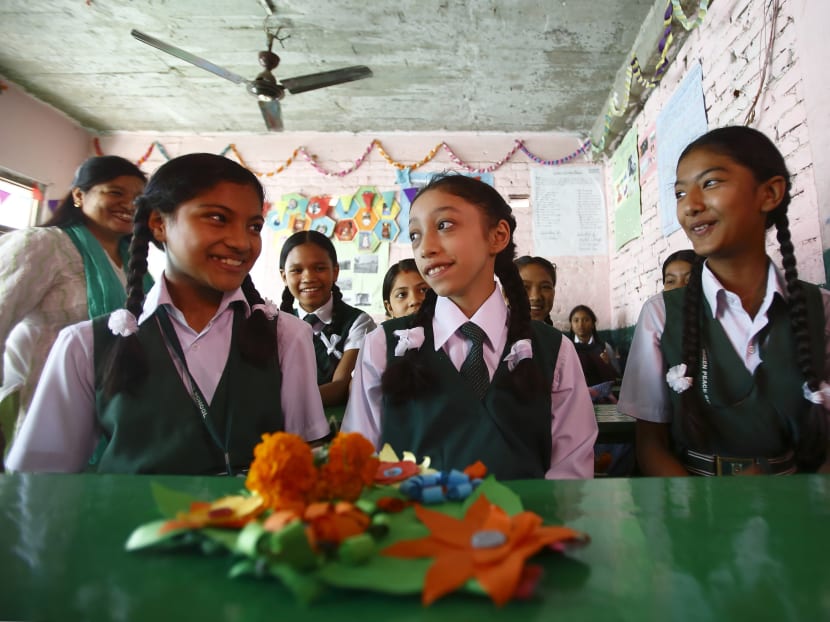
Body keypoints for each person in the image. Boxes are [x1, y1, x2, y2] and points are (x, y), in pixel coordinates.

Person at [6, 154, 329, 474]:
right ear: (159, 224)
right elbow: (39, 483)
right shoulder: (85, 343)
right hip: (121, 524)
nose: (241, 242)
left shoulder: (286, 335)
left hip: (250, 523)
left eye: (254, 226)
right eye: (217, 218)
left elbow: (305, 457)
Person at [343, 173, 597, 479]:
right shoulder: (382, 346)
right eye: (414, 235)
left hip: (529, 524)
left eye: (444, 225)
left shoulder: (554, 351)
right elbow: (358, 463)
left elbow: (571, 473)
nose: (425, 247)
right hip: (413, 525)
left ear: (497, 236)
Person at [618, 126, 830, 476]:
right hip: (695, 505)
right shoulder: (661, 314)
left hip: (799, 507)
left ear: (770, 193)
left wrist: (807, 503)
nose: (691, 206)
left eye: (711, 183)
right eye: (680, 193)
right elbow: (650, 444)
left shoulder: (819, 308)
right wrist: (703, 512)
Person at [0, 156, 150, 459]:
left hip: (116, 414)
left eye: (138, 198)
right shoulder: (43, 245)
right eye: (115, 192)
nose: (129, 204)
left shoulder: (137, 264)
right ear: (80, 195)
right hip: (44, 407)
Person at [279, 230, 376, 407]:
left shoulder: (358, 322)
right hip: (281, 427)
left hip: (336, 426)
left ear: (335, 271)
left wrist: (283, 406)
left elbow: (340, 386)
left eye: (319, 268)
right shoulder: (275, 323)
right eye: (297, 270)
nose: (308, 277)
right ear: (284, 276)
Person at [569, 304, 620, 394]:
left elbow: (616, 376)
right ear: (571, 325)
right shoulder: (567, 348)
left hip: (602, 395)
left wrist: (607, 364)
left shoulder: (605, 348)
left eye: (586, 320)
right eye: (576, 320)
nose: (581, 324)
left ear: (593, 323)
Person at [515, 256, 556, 324]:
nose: (535, 297)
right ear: (505, 294)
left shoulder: (555, 334)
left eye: (545, 287)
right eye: (524, 287)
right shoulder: (493, 333)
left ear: (553, 293)